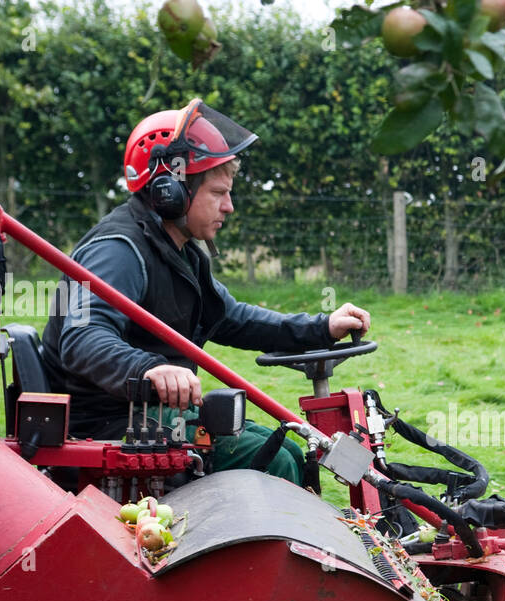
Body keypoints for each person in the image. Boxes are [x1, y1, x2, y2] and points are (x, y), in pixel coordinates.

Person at [42, 98, 369, 485]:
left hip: (152, 416)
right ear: (170, 192)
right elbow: (81, 339)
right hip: (110, 427)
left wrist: (321, 326)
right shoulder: (117, 250)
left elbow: (232, 318)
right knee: (273, 461)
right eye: (218, 193)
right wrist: (148, 368)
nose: (229, 207)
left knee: (288, 449)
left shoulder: (179, 251)